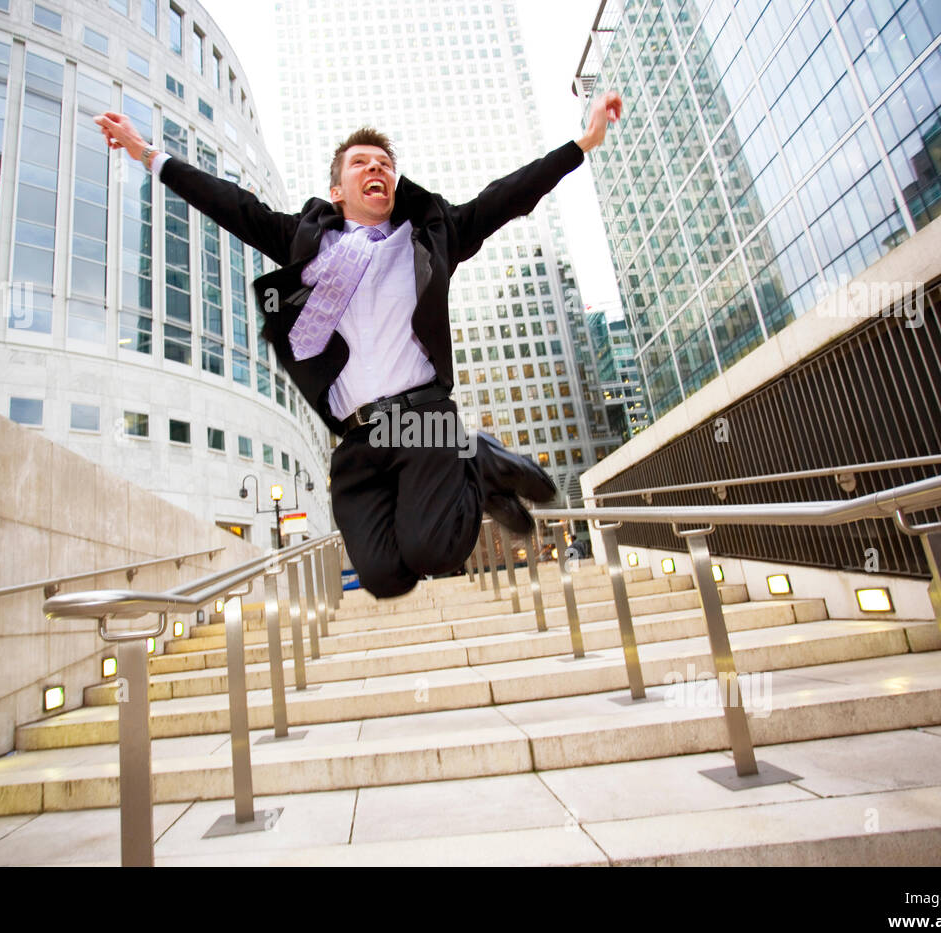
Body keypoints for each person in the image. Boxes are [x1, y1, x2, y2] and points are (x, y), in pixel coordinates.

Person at [95, 91, 622, 599]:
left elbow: (508, 195)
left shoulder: (432, 233)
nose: (377, 170)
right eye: (361, 164)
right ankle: (471, 464)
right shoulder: (308, 243)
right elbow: (232, 205)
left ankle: (475, 458)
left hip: (421, 421)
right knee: (384, 574)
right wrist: (148, 155)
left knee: (434, 552)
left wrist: (584, 142)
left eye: (384, 165)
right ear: (338, 191)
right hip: (356, 438)